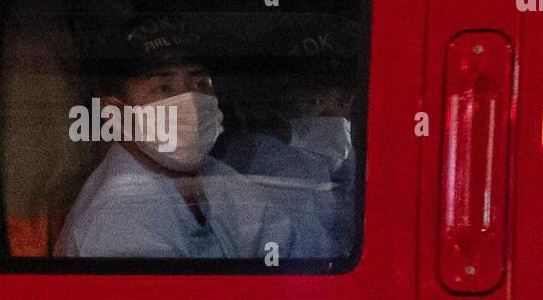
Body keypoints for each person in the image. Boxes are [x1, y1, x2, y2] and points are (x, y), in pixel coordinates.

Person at [55, 16, 298, 259]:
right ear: (116, 113)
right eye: (163, 88)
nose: (191, 100)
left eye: (200, 82)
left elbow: (290, 250)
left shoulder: (218, 178)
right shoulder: (119, 211)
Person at [217, 25, 360, 260]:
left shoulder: (353, 166)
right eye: (312, 94)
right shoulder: (270, 164)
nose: (340, 107)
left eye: (342, 94)